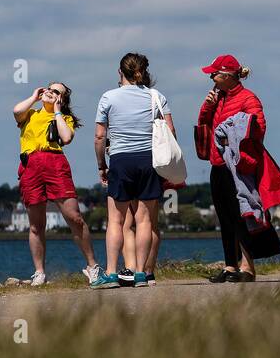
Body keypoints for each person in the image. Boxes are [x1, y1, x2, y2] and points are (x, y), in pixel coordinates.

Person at [195, 54, 280, 283]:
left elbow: (259, 126)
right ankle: (230, 265)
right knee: (225, 217)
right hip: (217, 164)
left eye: (214, 73)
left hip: (237, 167)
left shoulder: (248, 98)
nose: (211, 77)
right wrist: (208, 106)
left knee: (241, 216)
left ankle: (248, 267)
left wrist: (234, 136)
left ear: (227, 76)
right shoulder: (218, 98)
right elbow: (204, 124)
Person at [91, 53, 174, 288]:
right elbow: (170, 131)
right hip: (149, 161)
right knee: (145, 220)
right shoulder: (156, 96)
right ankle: (140, 273)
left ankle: (110, 273)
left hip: (120, 160)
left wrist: (101, 165)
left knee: (116, 221)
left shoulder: (108, 97)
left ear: (120, 72)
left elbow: (99, 136)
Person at [12, 83, 102, 286]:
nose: (50, 93)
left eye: (56, 92)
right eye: (49, 89)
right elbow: (16, 110)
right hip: (30, 165)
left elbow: (66, 137)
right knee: (36, 224)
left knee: (75, 218)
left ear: (62, 99)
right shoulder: (31, 114)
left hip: (55, 163)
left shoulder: (64, 118)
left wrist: (58, 112)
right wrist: (34, 96)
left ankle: (93, 266)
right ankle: (39, 272)